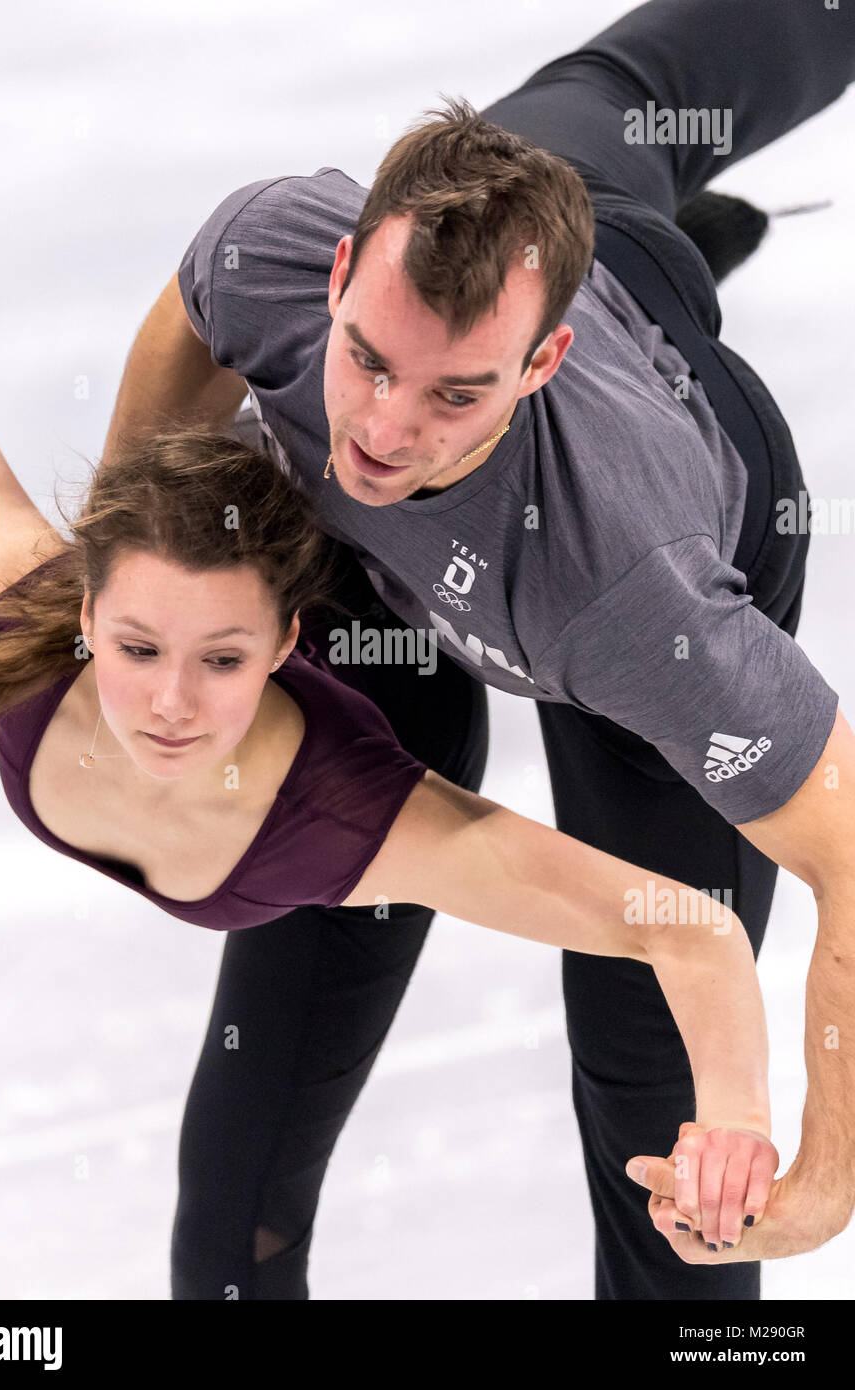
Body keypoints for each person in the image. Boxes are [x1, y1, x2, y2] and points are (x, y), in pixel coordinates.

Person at [101, 0, 855, 1299]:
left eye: (455, 391)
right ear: (339, 275)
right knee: (308, 920)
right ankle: (679, 248)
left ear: (540, 360)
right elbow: (194, 306)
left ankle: (681, 276)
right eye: (368, 362)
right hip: (577, 201)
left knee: (652, 1082)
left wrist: (831, 1182)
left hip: (618, 564)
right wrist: (117, 550)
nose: (386, 429)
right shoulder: (281, 251)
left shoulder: (646, 608)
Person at [0, 286, 781, 1298]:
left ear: (282, 648)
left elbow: (685, 929)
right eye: (136, 648)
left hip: (424, 658)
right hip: (284, 507)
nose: (170, 704)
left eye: (222, 661)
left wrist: (736, 1124)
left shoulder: (355, 813)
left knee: (627, 1082)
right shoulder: (19, 628)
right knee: (232, 1221)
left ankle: (651, 311)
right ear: (86, 612)